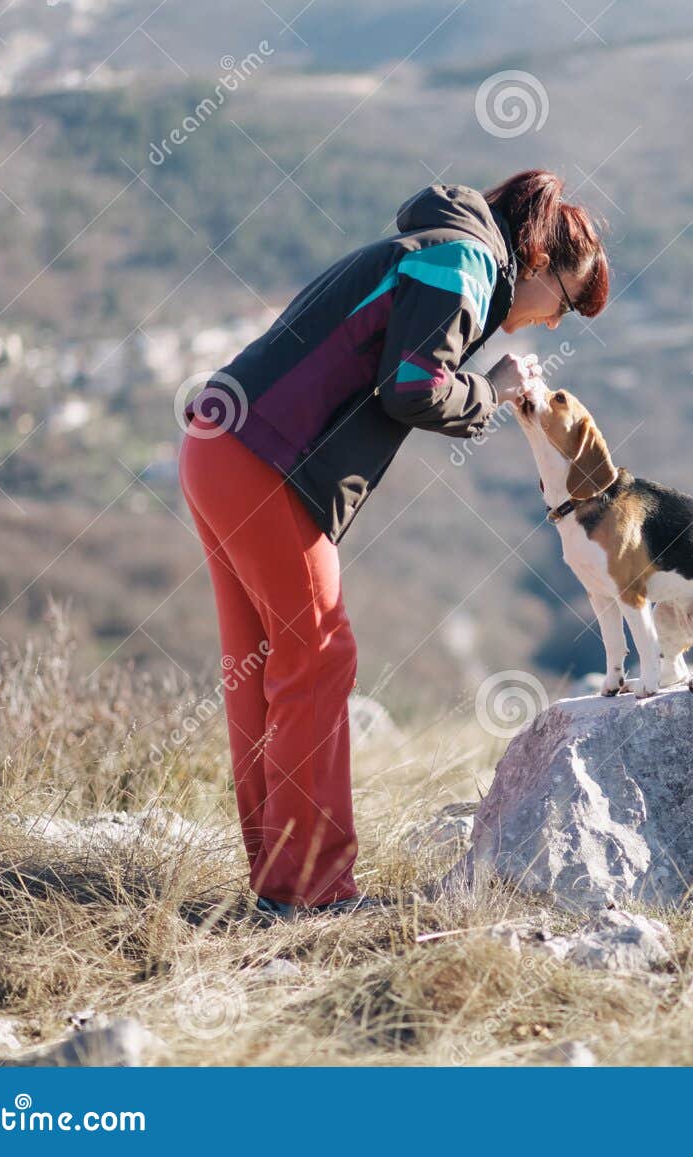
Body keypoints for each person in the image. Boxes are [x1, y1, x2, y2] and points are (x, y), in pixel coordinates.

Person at [177, 170, 609, 920]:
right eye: (565, 304)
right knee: (318, 654)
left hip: (217, 443)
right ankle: (312, 891)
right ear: (535, 259)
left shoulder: (434, 242)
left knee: (262, 661)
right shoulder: (468, 261)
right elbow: (411, 384)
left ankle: (279, 882)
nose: (551, 323)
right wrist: (495, 390)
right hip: (266, 461)